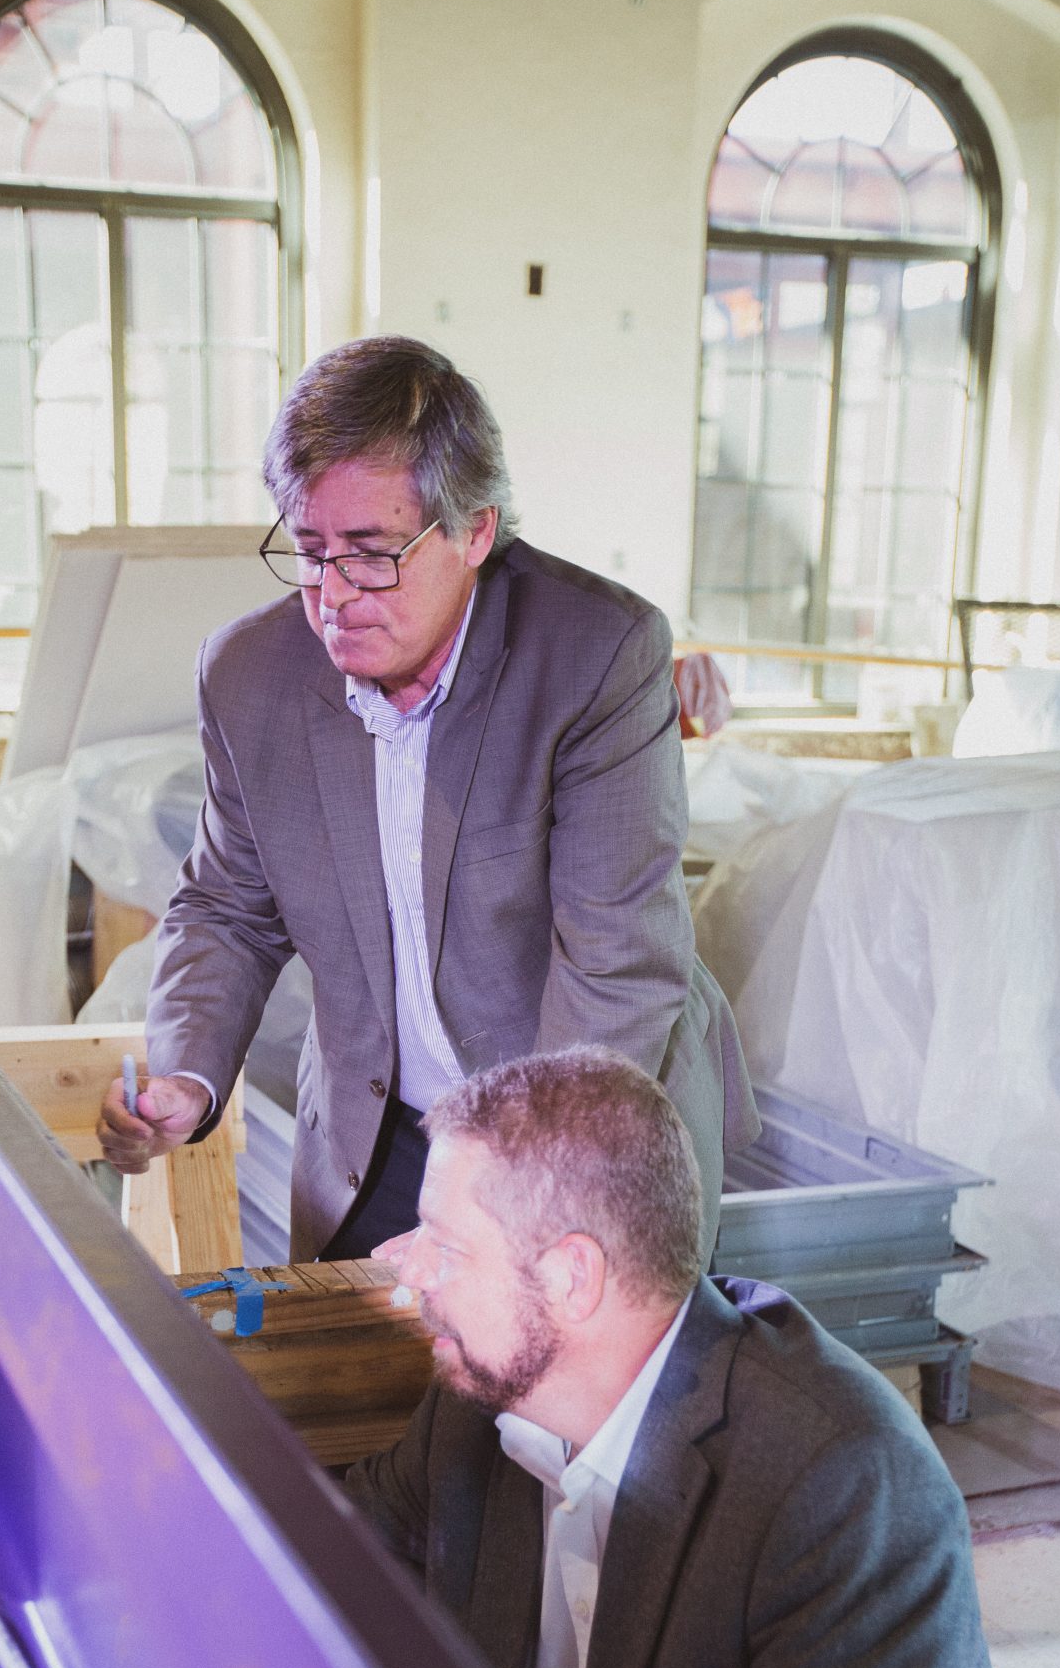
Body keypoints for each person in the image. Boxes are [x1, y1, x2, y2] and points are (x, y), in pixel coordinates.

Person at [347, 1047, 1048, 1668]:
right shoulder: (480, 1402)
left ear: (569, 1278)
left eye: (445, 1244)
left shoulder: (838, 1474)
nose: (406, 1272)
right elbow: (339, 1555)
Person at [96, 335, 757, 1259]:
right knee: (360, 1389)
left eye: (371, 553)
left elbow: (617, 967)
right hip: (375, 1133)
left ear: (475, 531)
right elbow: (226, 909)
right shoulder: (250, 676)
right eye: (310, 549)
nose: (332, 595)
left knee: (547, 1400)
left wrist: (493, 1205)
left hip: (578, 1124)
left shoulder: (594, 656)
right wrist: (188, 1077)